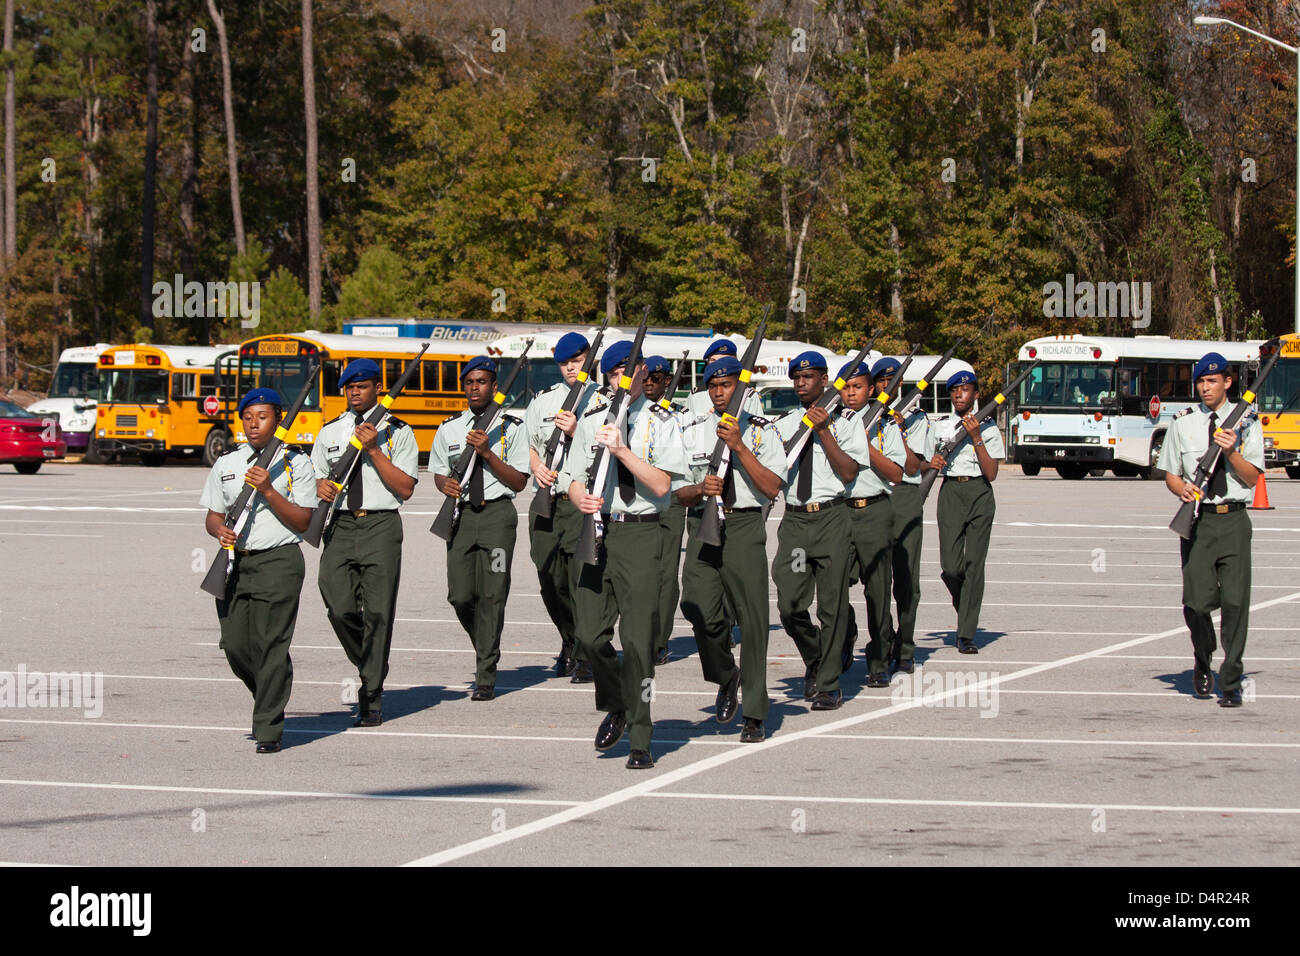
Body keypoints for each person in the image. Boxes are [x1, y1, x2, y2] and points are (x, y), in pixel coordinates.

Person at [563, 340, 688, 768]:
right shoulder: (590, 420)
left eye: (630, 374)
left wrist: (621, 451)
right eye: (615, 374)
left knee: (636, 643)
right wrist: (581, 497)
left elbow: (662, 486)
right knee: (589, 635)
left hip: (640, 533)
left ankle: (640, 735)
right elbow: (572, 478)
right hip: (599, 532)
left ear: (642, 377)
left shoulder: (662, 422)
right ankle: (617, 702)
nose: (623, 381)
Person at [200, 387, 317, 753]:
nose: (253, 424)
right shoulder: (228, 461)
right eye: (248, 417)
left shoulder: (295, 463)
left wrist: (268, 490)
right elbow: (212, 514)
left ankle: (268, 728)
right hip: (235, 564)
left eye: (262, 416)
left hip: (278, 562)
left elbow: (303, 521)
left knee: (270, 645)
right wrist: (219, 530)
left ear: (278, 419)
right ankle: (272, 687)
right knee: (235, 645)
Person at [678, 356, 784, 742]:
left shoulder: (760, 430)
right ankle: (726, 675)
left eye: (727, 385)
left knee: (753, 620)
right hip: (702, 523)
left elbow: (772, 487)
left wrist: (739, 447)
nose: (721, 392)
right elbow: (676, 491)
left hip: (742, 525)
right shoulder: (691, 429)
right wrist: (698, 489)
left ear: (741, 388)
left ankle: (754, 711)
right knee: (696, 606)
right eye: (714, 386)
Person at [312, 358, 419, 727]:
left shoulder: (399, 432)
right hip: (340, 526)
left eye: (362, 386)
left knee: (378, 613)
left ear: (378, 388)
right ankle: (371, 661)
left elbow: (405, 487)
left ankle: (371, 693)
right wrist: (320, 486)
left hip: (380, 526)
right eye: (349, 387)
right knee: (338, 604)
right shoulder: (329, 432)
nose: (354, 392)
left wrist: (374, 450)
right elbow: (315, 478)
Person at [1157, 351, 1264, 707]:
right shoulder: (1183, 423)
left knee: (1236, 602)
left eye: (1212, 381)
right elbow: (1170, 473)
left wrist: (1231, 451)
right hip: (1199, 520)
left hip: (1233, 518)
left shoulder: (1247, 422)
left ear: (1228, 383)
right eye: (1201, 382)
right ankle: (1203, 657)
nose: (1205, 388)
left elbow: (1251, 479)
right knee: (1196, 603)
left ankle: (1231, 680)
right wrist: (1181, 488)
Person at [771, 351, 867, 710]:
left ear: (824, 380)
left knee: (832, 606)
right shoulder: (782, 423)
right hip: (796, 523)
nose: (800, 383)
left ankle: (828, 683)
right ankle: (816, 653)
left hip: (830, 520)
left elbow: (848, 472)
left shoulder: (847, 421)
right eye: (796, 377)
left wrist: (824, 430)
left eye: (807, 377)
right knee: (790, 603)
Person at [429, 356, 530, 701]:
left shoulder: (512, 427)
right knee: (460, 596)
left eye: (482, 381)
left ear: (494, 386)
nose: (475, 387)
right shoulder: (449, 428)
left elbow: (518, 482)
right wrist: (445, 485)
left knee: (493, 592)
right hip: (461, 519)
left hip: (497, 519)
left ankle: (486, 671)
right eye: (469, 382)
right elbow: (439, 471)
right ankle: (486, 646)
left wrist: (487, 453)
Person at [525, 332, 605, 678]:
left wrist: (576, 432)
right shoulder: (543, 402)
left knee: (579, 580)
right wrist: (536, 467)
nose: (571, 367)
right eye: (564, 362)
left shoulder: (603, 401)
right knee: (549, 578)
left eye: (577, 360)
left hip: (579, 502)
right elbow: (529, 445)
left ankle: (586, 651)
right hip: (546, 501)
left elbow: (604, 451)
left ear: (589, 359)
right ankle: (569, 636)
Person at [837, 358, 906, 687]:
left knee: (877, 591)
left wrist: (865, 446)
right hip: (838, 511)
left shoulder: (885, 423)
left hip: (875, 510)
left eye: (858, 387)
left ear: (870, 389)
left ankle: (879, 659)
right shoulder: (831, 423)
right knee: (832, 588)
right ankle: (844, 634)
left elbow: (896, 474)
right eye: (846, 388)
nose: (851, 394)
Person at [930, 370, 1003, 654]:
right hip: (950, 492)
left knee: (974, 564)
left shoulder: (988, 428)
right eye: (954, 391)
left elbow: (992, 472)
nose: (958, 395)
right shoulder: (940, 426)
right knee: (951, 567)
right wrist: (932, 462)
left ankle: (966, 633)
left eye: (965, 390)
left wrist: (976, 437)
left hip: (979, 493)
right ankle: (966, 607)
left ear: (975, 395)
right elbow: (926, 461)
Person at [879, 360, 935, 675]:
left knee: (906, 579)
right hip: (872, 497)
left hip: (904, 497)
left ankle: (906, 646)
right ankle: (882, 640)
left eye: (892, 381)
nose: (887, 387)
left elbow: (915, 466)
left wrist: (899, 429)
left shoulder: (915, 419)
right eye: (882, 382)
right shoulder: (864, 418)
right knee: (876, 580)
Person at [643, 354, 688, 666]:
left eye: (655, 379)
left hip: (669, 500)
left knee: (665, 574)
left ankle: (659, 640)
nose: (648, 383)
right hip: (636, 499)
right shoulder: (629, 413)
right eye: (644, 378)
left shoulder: (680, 416)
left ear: (667, 382)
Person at [687, 338, 763, 417]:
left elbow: (756, 428)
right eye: (713, 360)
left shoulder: (749, 396)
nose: (718, 365)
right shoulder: (696, 395)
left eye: (724, 360)